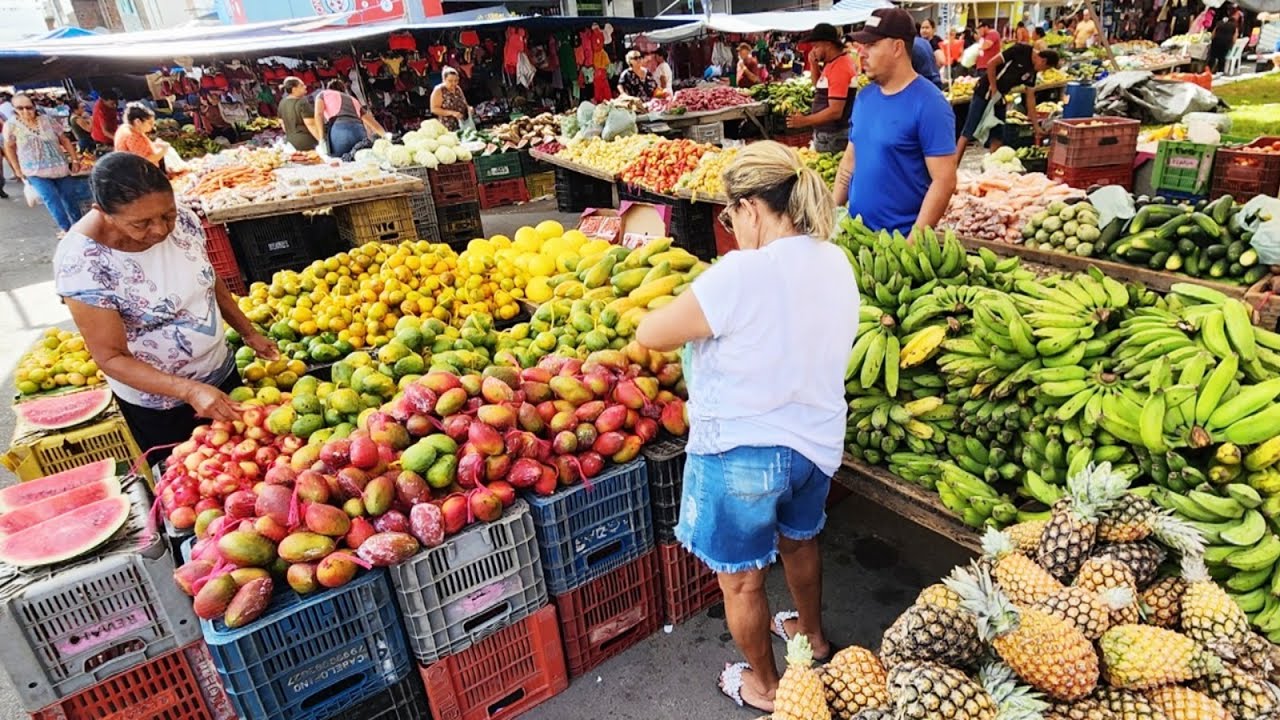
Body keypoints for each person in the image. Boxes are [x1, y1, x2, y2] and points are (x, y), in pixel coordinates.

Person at [633, 141, 858, 714]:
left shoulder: (740, 274)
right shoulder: (834, 260)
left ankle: (766, 686)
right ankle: (812, 635)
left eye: (729, 215)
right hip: (814, 447)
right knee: (801, 541)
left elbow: (653, 333)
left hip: (742, 456)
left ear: (752, 206)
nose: (730, 226)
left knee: (742, 582)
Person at [54, 153, 279, 454]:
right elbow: (110, 357)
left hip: (221, 375)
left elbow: (208, 280)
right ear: (103, 213)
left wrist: (248, 332)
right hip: (162, 406)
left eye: (166, 215)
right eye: (141, 223)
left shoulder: (184, 220)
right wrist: (187, 390)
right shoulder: (83, 263)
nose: (160, 230)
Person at [835, 8, 957, 235]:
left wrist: (911, 243)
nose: (862, 53)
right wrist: (830, 214)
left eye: (871, 45)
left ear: (897, 47)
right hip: (857, 237)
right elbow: (850, 160)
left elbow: (944, 181)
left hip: (898, 245)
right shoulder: (864, 97)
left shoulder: (930, 104)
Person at [3, 93, 89, 231]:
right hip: (34, 171)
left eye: (28, 107)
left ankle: (79, 227)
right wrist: (16, 169)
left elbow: (64, 140)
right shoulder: (11, 125)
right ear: (14, 109)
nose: (26, 111)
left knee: (69, 196)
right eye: (20, 108)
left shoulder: (47, 120)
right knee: (51, 198)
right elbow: (9, 147)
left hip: (59, 167)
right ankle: (66, 229)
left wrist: (74, 159)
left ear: (34, 106)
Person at [956, 46, 1061, 157]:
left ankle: (992, 166)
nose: (1041, 71)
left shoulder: (1032, 72)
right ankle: (954, 167)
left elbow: (1030, 98)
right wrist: (994, 89)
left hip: (1000, 98)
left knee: (998, 136)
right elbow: (991, 64)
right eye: (1044, 68)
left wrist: (1036, 126)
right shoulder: (1020, 50)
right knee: (968, 132)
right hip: (984, 92)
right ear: (1043, 60)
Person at [787, 23, 857, 152]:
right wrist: (813, 65)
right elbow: (818, 86)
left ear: (828, 44)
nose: (813, 50)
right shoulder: (831, 63)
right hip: (828, 135)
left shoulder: (840, 67)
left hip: (833, 137)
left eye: (816, 46)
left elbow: (835, 111)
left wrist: (804, 121)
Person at [314, 79, 386, 158]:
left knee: (341, 164)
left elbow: (319, 114)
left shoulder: (323, 94)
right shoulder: (353, 99)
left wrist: (321, 139)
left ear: (328, 88)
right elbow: (371, 122)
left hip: (340, 132)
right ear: (343, 89)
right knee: (360, 161)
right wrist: (385, 135)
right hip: (359, 132)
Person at [278, 76, 318, 151]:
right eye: (302, 85)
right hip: (306, 142)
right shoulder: (302, 103)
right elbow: (311, 125)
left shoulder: (282, 103)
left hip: (290, 141)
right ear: (294, 89)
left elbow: (282, 123)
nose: (305, 87)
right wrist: (321, 140)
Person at [430, 68, 471, 132]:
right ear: (444, 80)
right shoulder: (439, 90)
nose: (454, 83)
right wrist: (452, 113)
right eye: (450, 81)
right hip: (447, 127)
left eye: (456, 80)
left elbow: (464, 103)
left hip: (462, 125)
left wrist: (469, 108)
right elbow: (434, 109)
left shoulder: (457, 88)